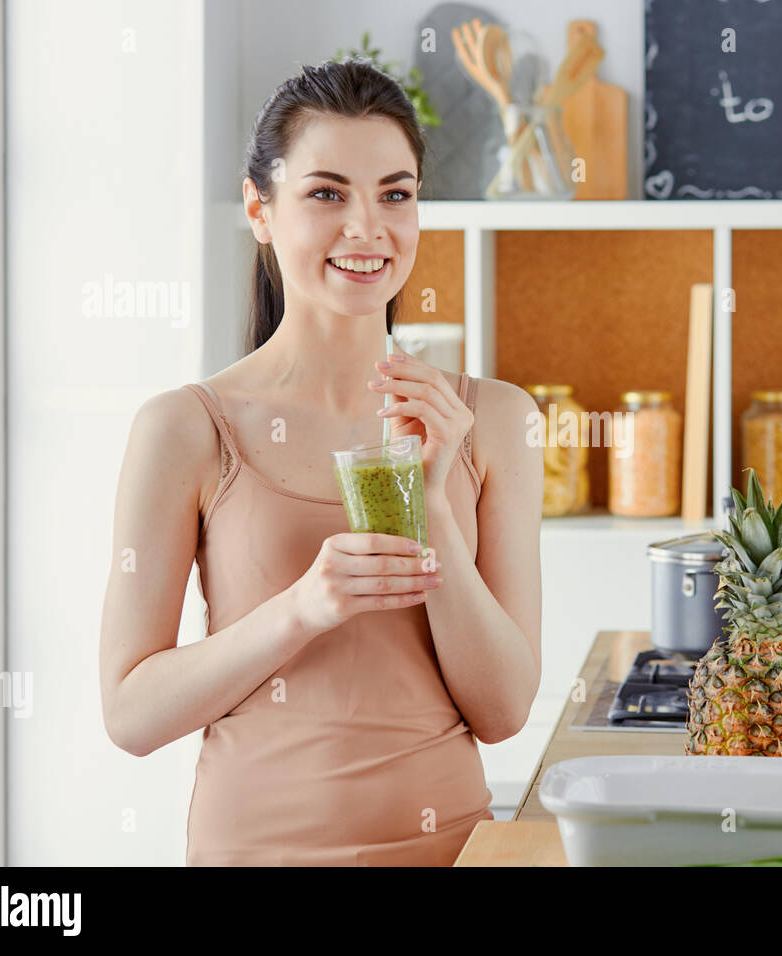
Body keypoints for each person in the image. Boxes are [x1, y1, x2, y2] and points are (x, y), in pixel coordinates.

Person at [98, 57, 543, 865]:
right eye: (327, 193)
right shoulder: (186, 429)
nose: (367, 227)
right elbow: (131, 714)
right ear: (258, 208)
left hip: (449, 852)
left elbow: (504, 710)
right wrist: (302, 608)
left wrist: (433, 504)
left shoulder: (495, 420)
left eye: (396, 194)